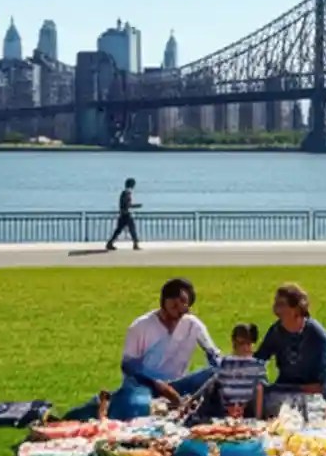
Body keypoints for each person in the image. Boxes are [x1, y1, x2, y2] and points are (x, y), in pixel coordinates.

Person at [65, 277, 220, 421]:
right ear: (164, 301)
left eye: (183, 302)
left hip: (178, 385)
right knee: (136, 409)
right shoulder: (141, 326)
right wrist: (157, 384)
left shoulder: (193, 325)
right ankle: (103, 404)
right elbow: (128, 365)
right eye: (173, 300)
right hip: (143, 385)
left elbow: (214, 355)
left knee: (218, 375)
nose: (177, 305)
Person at [255, 284, 326, 411]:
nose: (276, 309)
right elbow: (258, 360)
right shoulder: (276, 332)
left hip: (312, 400)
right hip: (283, 394)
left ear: (296, 309)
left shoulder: (319, 339)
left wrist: (283, 388)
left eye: (281, 305)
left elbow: (319, 387)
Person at [214, 324, 268, 419]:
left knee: (260, 388)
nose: (245, 347)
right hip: (228, 407)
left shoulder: (257, 365)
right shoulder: (226, 363)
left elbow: (260, 390)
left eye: (248, 343)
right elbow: (221, 387)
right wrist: (228, 408)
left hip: (248, 409)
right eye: (241, 343)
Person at [105, 177, 141, 251]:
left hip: (123, 214)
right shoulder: (126, 193)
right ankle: (135, 244)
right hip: (126, 214)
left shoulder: (124, 193)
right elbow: (127, 205)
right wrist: (136, 206)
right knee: (132, 229)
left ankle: (110, 243)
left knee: (119, 230)